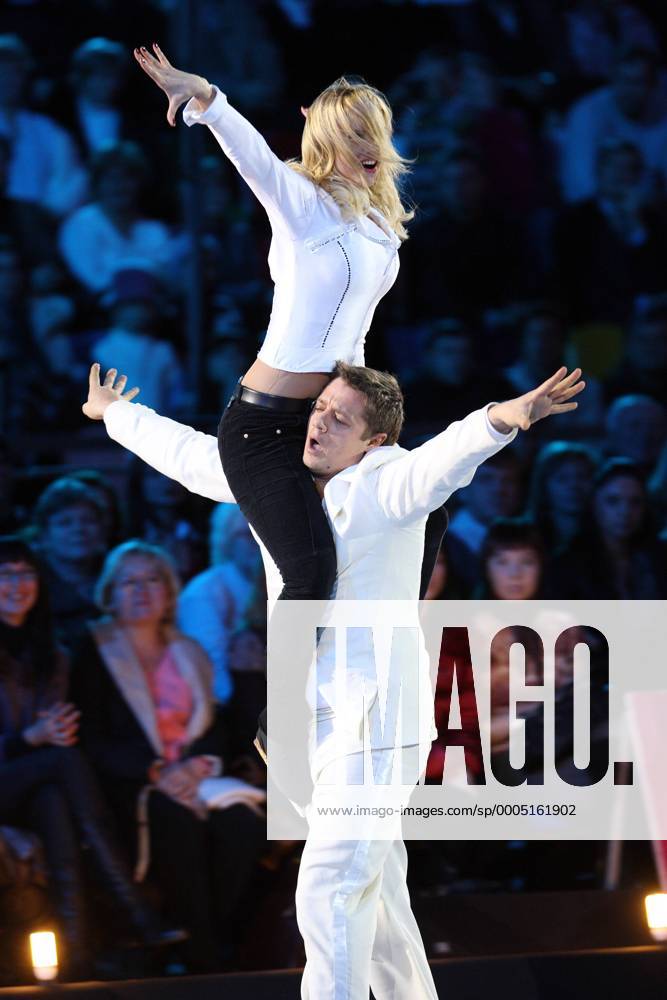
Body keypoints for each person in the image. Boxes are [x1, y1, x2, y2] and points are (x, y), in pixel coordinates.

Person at [83, 358, 584, 999]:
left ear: (374, 440)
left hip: (374, 722)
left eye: (339, 419)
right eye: (320, 409)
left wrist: (502, 420)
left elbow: (443, 459)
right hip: (314, 724)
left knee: (330, 886)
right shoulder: (285, 481)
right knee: (377, 905)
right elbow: (198, 459)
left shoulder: (387, 486)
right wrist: (117, 415)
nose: (319, 423)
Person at [69, 540, 266, 973]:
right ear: (110, 592)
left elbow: (213, 725)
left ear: (169, 591)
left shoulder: (188, 651)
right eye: (129, 581)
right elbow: (93, 737)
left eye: (153, 579)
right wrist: (156, 770)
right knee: (174, 820)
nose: (141, 590)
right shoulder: (92, 649)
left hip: (196, 777)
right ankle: (204, 952)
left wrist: (199, 764)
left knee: (241, 825)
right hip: (132, 783)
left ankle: (212, 936)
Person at [0, 537, 184, 980]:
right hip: (16, 770)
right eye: (5, 574)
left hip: (34, 779)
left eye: (26, 573)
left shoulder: (55, 653)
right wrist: (30, 737)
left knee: (56, 803)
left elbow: (56, 730)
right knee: (64, 765)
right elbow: (40, 739)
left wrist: (49, 736)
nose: (17, 584)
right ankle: (135, 905)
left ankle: (78, 953)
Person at [177, 505, 263, 705]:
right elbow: (213, 679)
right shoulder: (204, 593)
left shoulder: (270, 585)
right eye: (247, 534)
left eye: (262, 532)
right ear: (226, 540)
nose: (258, 542)